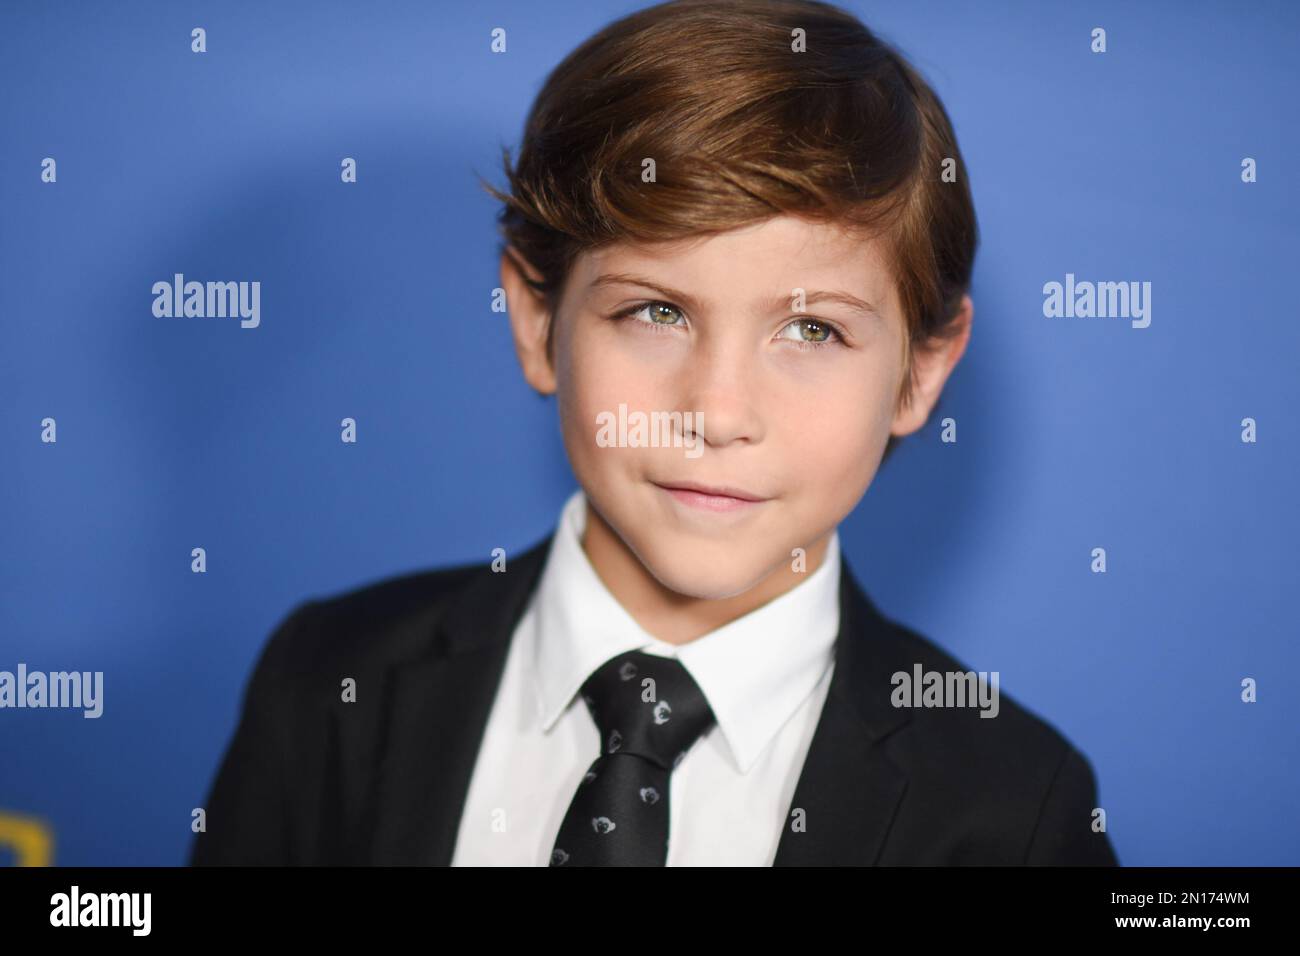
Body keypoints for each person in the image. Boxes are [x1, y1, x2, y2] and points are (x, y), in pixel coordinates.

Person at [191, 0, 1119, 866]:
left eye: (812, 329)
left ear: (920, 370)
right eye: (654, 313)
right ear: (535, 321)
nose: (716, 415)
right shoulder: (329, 684)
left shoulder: (1017, 809)